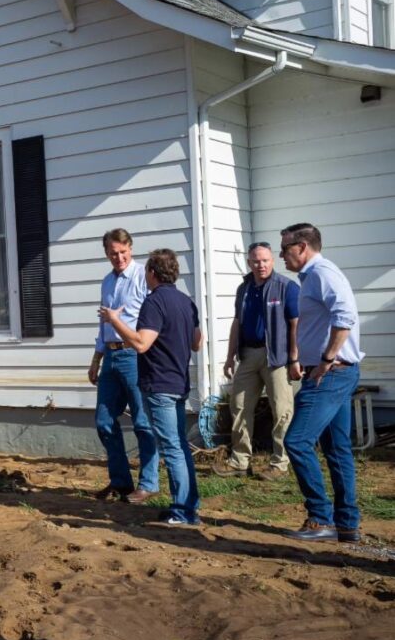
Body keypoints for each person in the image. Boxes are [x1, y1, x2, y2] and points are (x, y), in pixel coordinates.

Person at [100, 249, 204, 525]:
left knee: (172, 448)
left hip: (160, 384)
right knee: (179, 445)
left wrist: (115, 320)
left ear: (153, 274)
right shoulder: (186, 302)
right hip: (180, 382)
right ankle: (189, 505)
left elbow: (141, 343)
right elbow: (197, 343)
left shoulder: (154, 302)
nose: (145, 276)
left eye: (146, 271)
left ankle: (183, 510)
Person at [277, 224, 363, 543]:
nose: (281, 254)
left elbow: (346, 317)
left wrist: (325, 360)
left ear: (302, 247)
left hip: (330, 373)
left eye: (285, 248)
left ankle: (320, 518)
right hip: (334, 371)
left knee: (297, 441)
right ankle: (347, 525)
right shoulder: (313, 276)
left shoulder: (323, 274)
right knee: (337, 450)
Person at [213, 242, 299, 480]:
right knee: (239, 406)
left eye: (265, 260)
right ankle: (240, 461)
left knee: (281, 409)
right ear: (249, 263)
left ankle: (280, 463)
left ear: (272, 260)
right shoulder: (244, 288)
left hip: (277, 358)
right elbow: (237, 322)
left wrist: (294, 358)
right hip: (248, 355)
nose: (260, 265)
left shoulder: (286, 287)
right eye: (256, 261)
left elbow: (295, 324)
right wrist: (230, 356)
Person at [88, 229, 158, 503]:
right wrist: (96, 358)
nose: (118, 257)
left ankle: (149, 483)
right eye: (113, 253)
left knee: (143, 421)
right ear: (106, 253)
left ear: (131, 248)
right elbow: (103, 323)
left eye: (123, 252)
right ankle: (120, 482)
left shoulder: (143, 276)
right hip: (111, 356)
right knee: (104, 421)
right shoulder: (107, 282)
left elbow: (154, 316)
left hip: (135, 355)